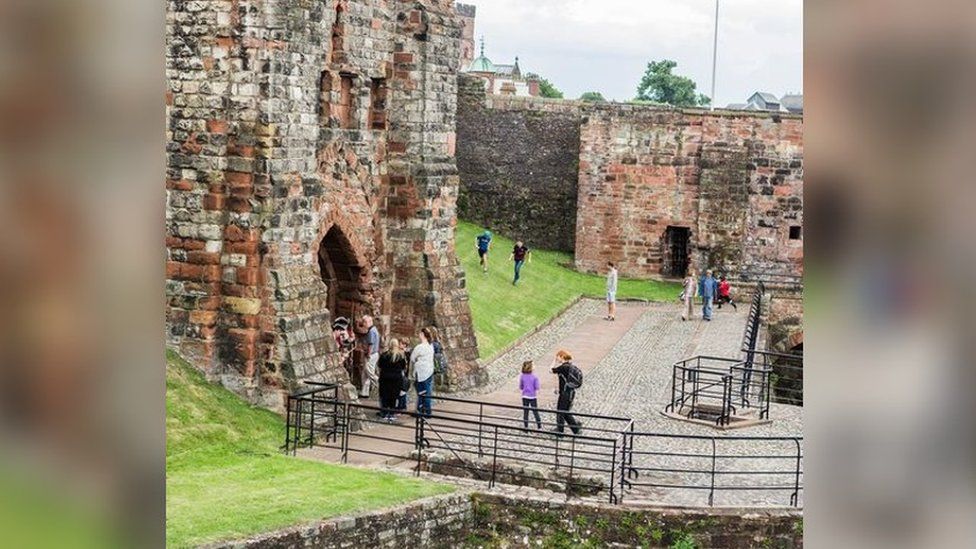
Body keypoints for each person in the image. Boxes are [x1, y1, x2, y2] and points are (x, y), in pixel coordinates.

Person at [550, 350, 583, 435]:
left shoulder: (563, 367)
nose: (557, 358)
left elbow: (551, 370)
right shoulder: (571, 367)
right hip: (570, 392)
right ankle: (575, 428)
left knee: (561, 411)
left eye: (558, 357)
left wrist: (554, 361)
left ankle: (561, 430)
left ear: (562, 356)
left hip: (564, 393)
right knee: (565, 411)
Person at [377, 338, 408, 421]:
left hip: (385, 378)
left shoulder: (384, 355)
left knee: (385, 396)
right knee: (393, 397)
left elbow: (380, 365)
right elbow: (403, 367)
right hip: (396, 379)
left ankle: (384, 412)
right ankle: (392, 413)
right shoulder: (400, 356)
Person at [409, 327, 436, 417]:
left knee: (422, 391)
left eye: (420, 334)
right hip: (429, 371)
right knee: (426, 391)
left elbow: (412, 358)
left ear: (423, 335)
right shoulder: (430, 346)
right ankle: (422, 410)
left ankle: (424, 410)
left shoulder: (420, 347)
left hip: (421, 372)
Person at [358, 315, 381, 398]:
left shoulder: (371, 331)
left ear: (369, 322)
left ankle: (381, 384)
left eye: (365, 322)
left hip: (371, 354)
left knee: (370, 373)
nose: (364, 324)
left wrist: (368, 354)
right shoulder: (373, 330)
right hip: (374, 354)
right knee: (365, 374)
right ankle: (364, 392)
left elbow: (371, 344)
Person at [519, 360, 543, 430]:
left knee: (526, 412)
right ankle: (539, 426)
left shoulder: (522, 376)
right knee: (535, 411)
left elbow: (521, 386)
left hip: (524, 396)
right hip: (532, 396)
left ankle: (526, 426)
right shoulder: (535, 377)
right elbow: (537, 387)